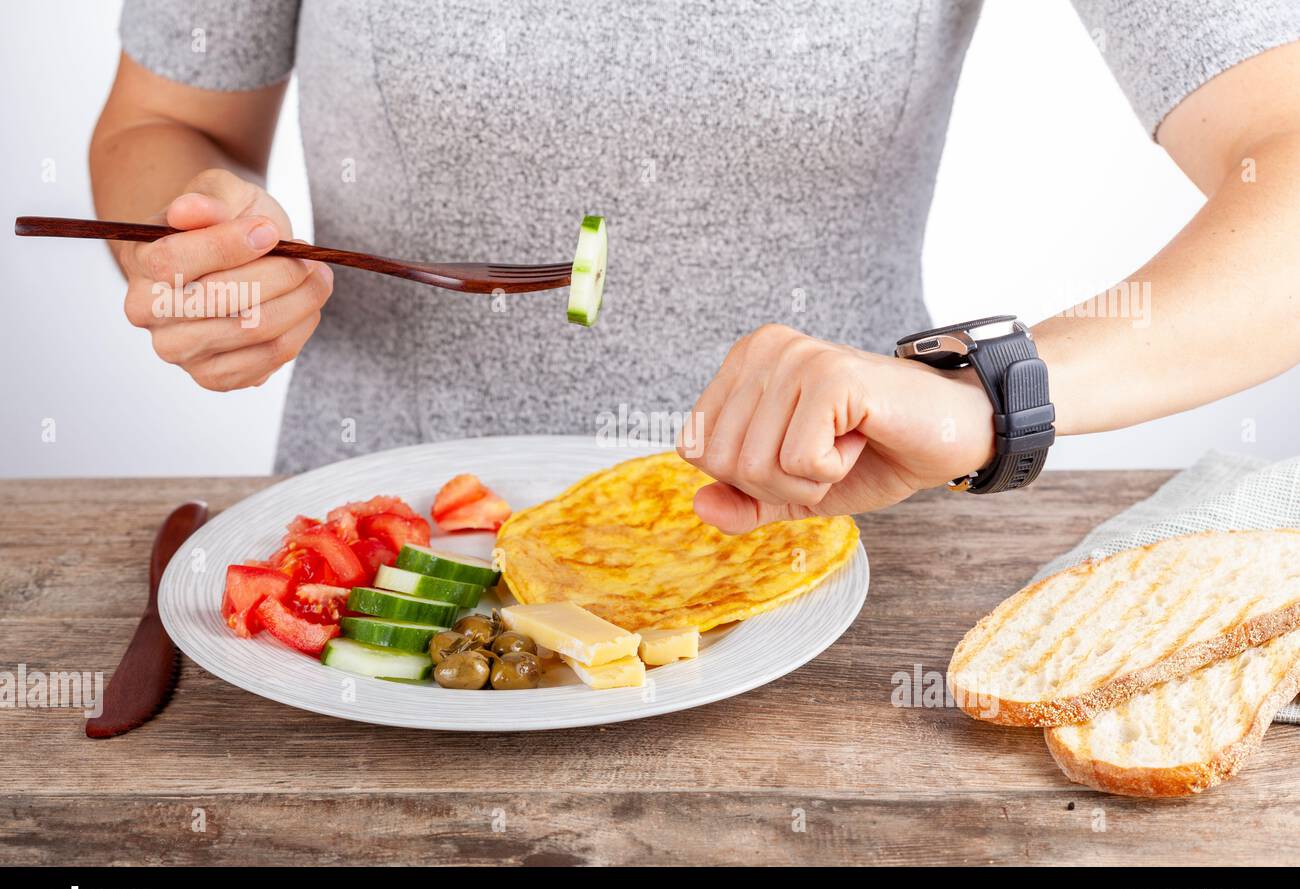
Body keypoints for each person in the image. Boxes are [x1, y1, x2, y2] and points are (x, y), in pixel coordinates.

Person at [92, 1, 1300, 532]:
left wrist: (989, 393)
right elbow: (160, 126)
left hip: (826, 579)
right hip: (372, 566)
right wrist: (201, 243)